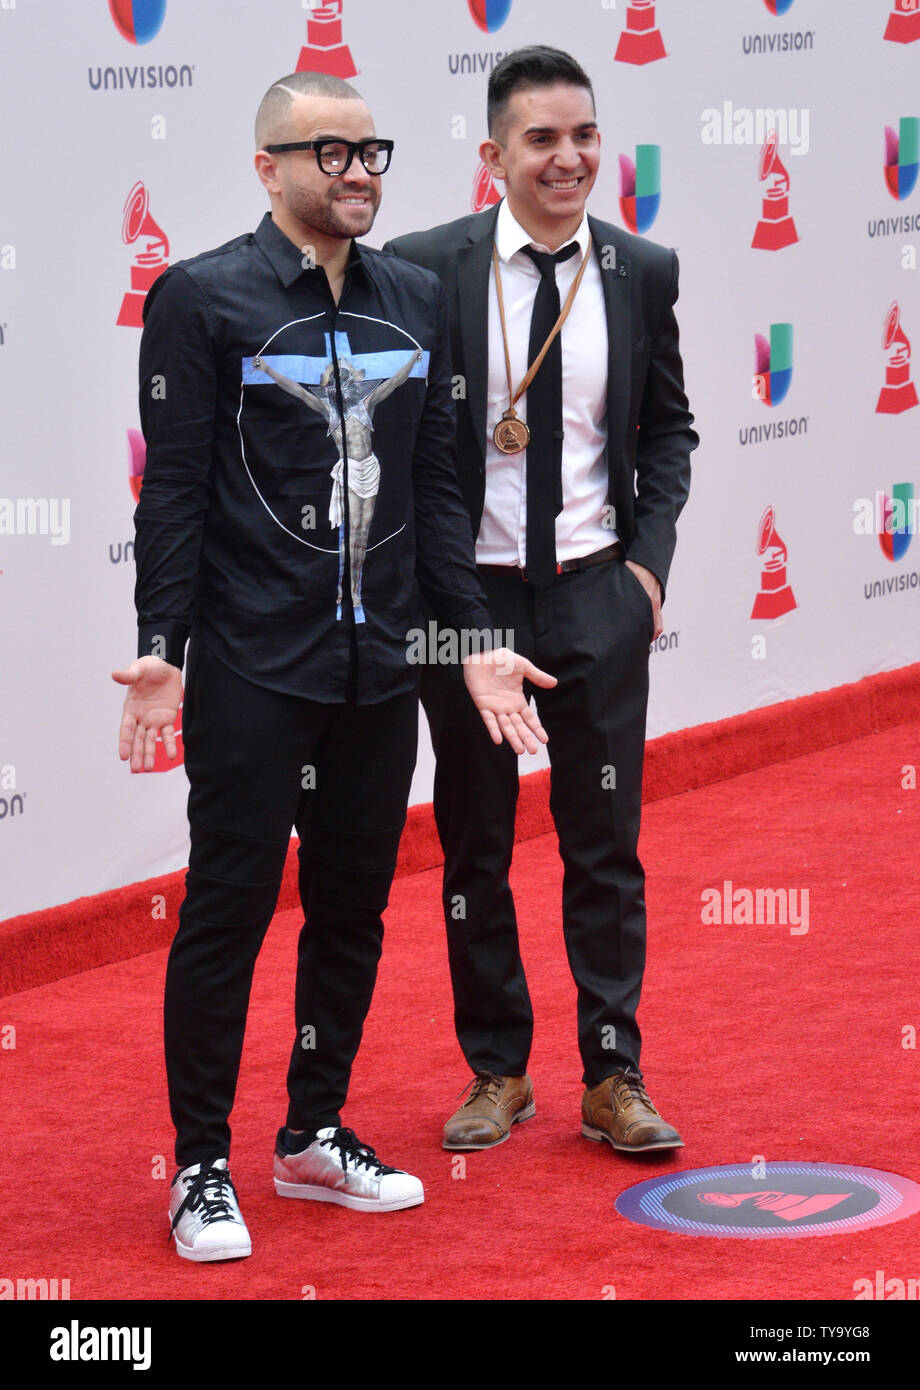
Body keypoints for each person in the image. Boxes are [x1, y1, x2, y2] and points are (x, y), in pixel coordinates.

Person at [112, 70, 554, 1263]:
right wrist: (164, 652)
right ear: (269, 167)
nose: (356, 172)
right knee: (229, 912)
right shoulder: (201, 298)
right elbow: (175, 498)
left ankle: (312, 1132)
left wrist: (465, 646)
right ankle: (199, 1161)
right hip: (257, 664)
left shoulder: (415, 297)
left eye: (372, 152)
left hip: (381, 673)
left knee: (352, 910)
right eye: (330, 154)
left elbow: (440, 489)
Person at [385, 46, 698, 1155]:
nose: (566, 159)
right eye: (539, 140)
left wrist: (644, 574)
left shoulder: (640, 267)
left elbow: (669, 431)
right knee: (472, 843)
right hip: (466, 613)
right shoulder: (422, 270)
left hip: (595, 600)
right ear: (493, 155)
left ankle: (613, 1073)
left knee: (603, 845)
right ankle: (498, 1069)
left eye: (582, 136)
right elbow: (401, 455)